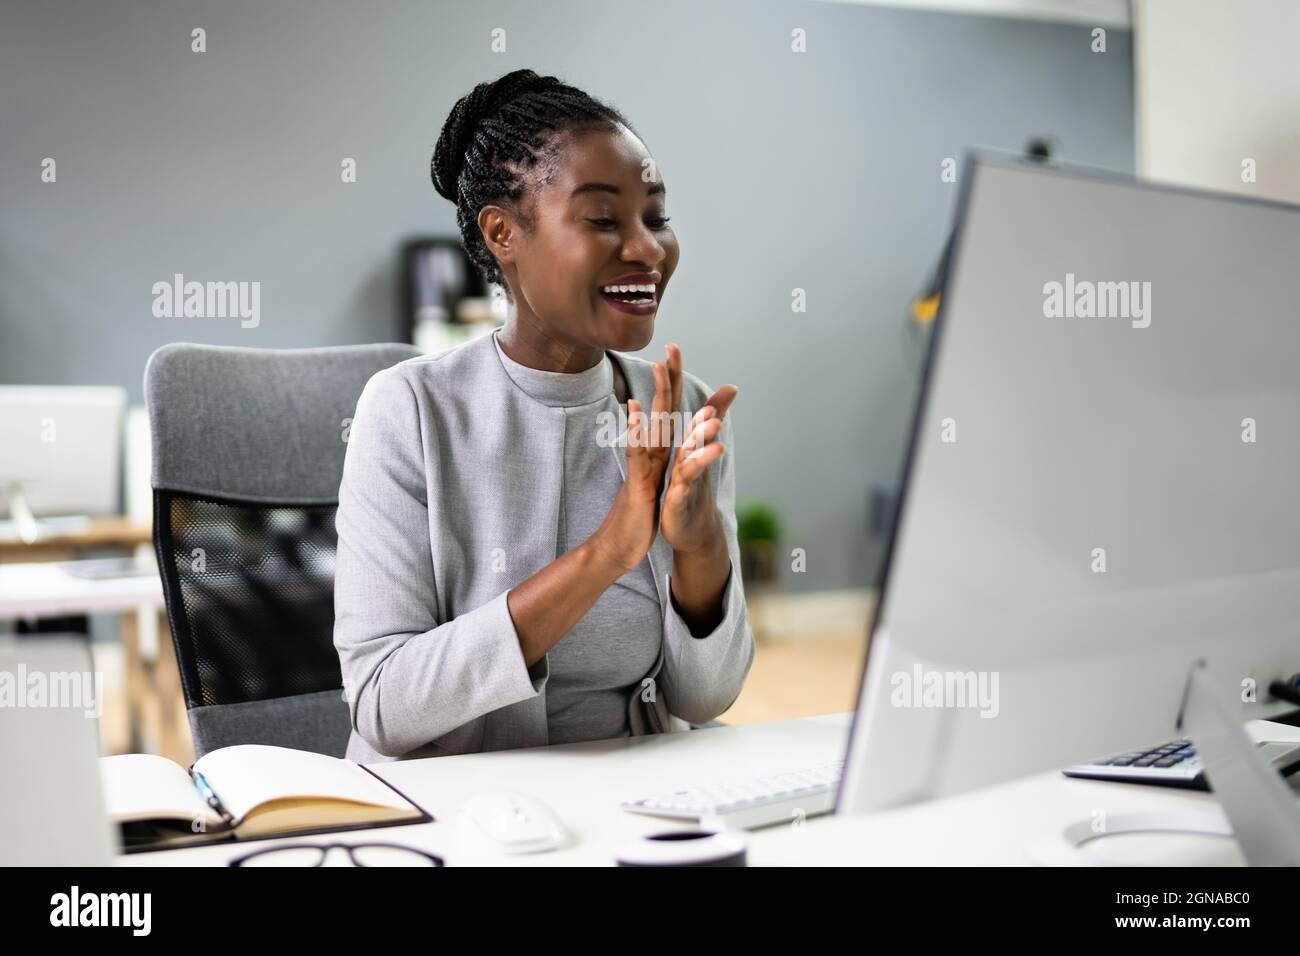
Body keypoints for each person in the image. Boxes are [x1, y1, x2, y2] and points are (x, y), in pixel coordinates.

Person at [333, 69, 755, 762]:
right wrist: (606, 554)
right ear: (503, 233)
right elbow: (384, 705)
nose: (648, 248)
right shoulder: (408, 410)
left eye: (656, 217)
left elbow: (704, 700)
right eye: (602, 219)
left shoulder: (677, 406)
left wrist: (701, 547)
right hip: (455, 816)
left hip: (627, 805)